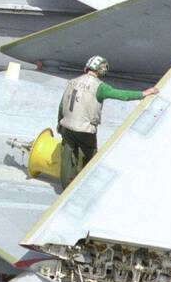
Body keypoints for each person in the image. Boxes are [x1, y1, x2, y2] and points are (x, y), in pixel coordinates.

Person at [57, 56, 158, 188]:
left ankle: (66, 187)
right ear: (101, 70)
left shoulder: (72, 82)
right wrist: (143, 93)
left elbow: (61, 105)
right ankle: (85, 185)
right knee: (91, 157)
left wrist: (59, 123)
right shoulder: (99, 87)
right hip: (85, 129)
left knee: (67, 159)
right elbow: (121, 95)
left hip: (67, 125)